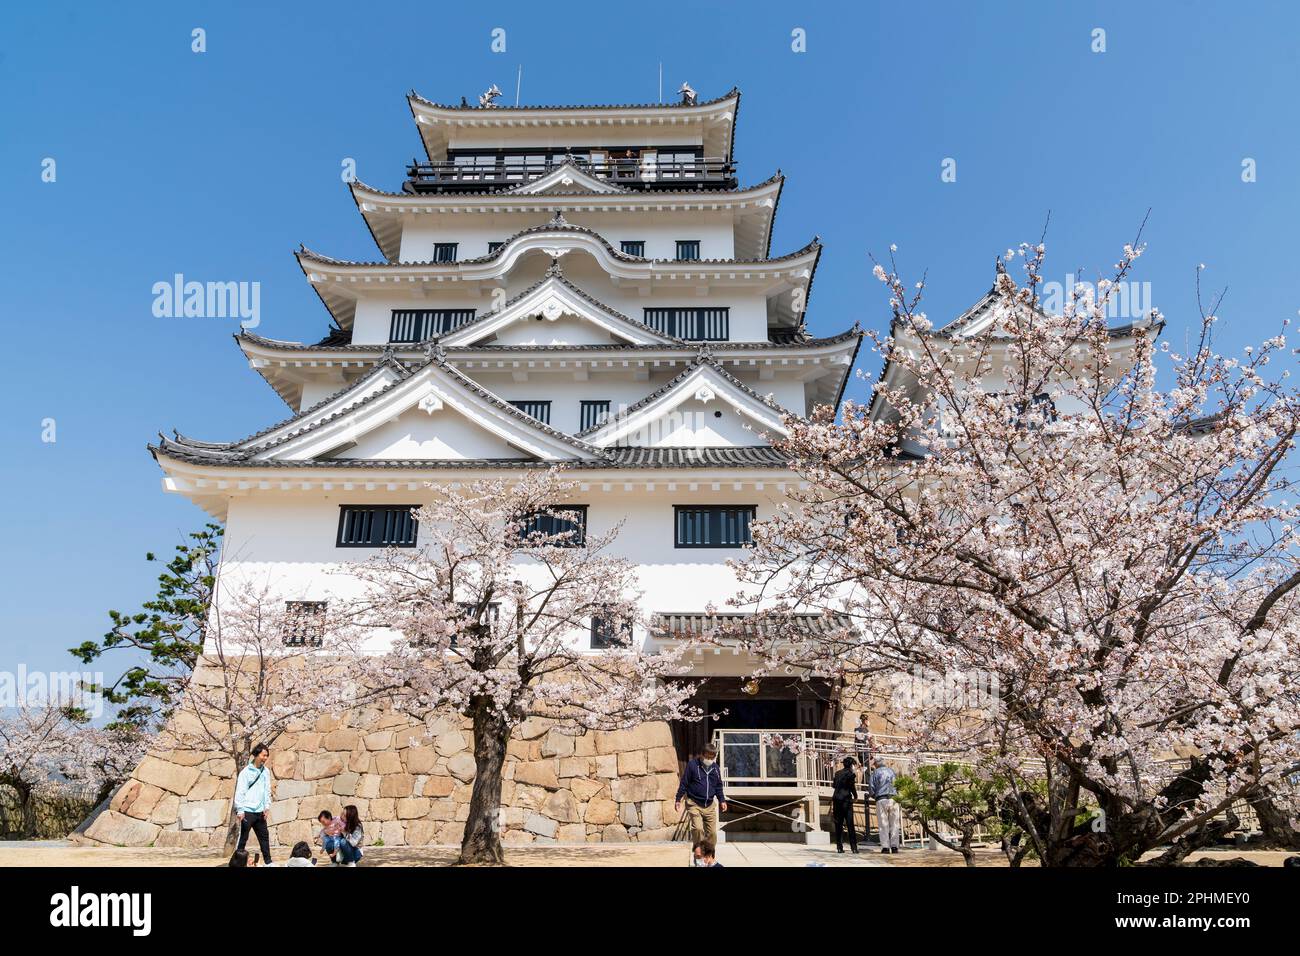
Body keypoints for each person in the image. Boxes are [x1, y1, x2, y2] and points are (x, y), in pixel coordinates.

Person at [674, 743, 727, 846]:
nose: (709, 759)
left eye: (712, 757)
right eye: (707, 756)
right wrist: (678, 799)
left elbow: (718, 786)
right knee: (698, 829)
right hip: (694, 803)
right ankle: (699, 854)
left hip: (709, 805)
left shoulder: (715, 768)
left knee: (712, 834)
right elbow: (684, 783)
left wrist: (722, 800)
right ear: (702, 755)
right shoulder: (693, 765)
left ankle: (709, 856)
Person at [234, 743, 275, 864]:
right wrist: (240, 810)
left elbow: (267, 790)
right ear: (256, 755)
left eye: (267, 755)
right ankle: (238, 863)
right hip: (247, 811)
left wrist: (267, 806)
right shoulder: (246, 772)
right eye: (263, 755)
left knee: (264, 838)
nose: (265, 758)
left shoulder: (265, 771)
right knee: (243, 838)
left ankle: (268, 862)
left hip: (260, 811)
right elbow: (240, 791)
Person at [870, 757, 901, 854]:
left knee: (883, 824)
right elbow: (897, 785)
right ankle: (895, 846)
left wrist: (875, 796)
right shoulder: (891, 771)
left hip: (881, 799)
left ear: (876, 764)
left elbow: (871, 788)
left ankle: (885, 847)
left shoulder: (874, 773)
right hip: (893, 798)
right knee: (894, 823)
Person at [831, 756, 859, 853]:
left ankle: (839, 847)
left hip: (836, 799)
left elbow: (834, 786)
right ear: (851, 765)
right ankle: (854, 847)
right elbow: (852, 787)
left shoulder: (837, 773)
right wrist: (855, 796)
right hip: (846, 800)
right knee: (850, 824)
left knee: (838, 824)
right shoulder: (851, 774)